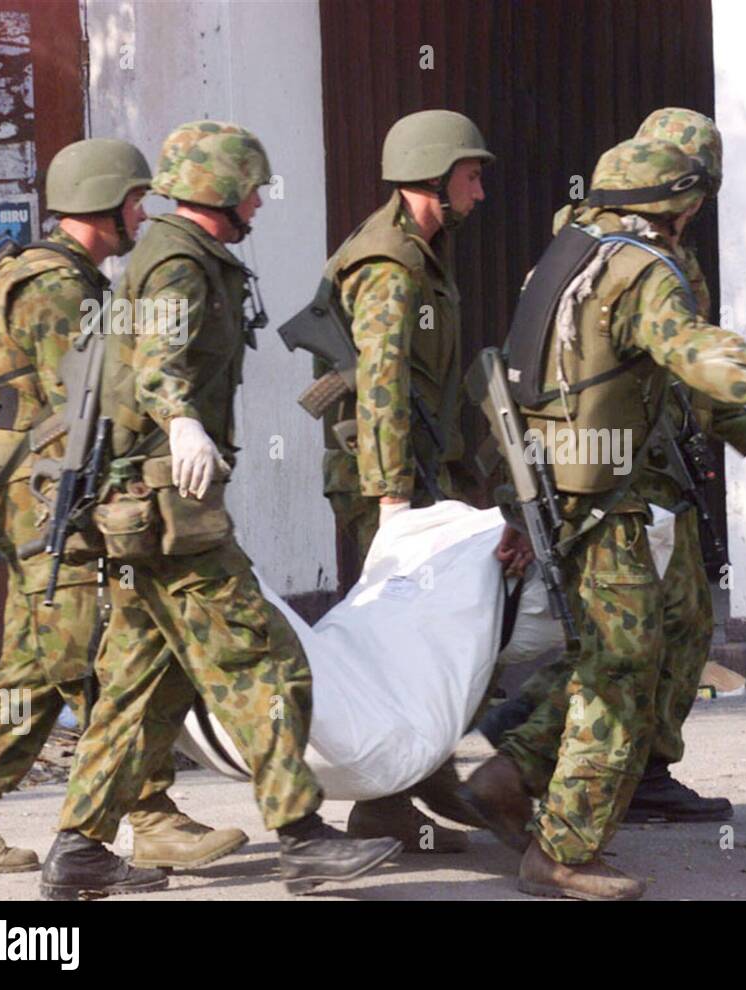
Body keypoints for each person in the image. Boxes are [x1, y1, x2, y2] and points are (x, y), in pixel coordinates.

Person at [39, 121, 402, 900]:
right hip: (172, 508)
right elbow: (158, 362)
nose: (263, 202)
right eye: (252, 189)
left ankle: (78, 851)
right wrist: (180, 419)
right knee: (262, 659)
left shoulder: (190, 256)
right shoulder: (177, 262)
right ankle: (301, 837)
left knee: (143, 686)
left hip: (152, 506)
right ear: (223, 192)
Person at [464, 138, 746, 899]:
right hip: (612, 499)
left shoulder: (572, 251)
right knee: (623, 668)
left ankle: (515, 772)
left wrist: (736, 426)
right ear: (684, 205)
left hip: (564, 488)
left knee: (620, 649)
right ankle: (560, 848)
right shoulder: (642, 269)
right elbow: (687, 347)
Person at [0, 138, 246, 875]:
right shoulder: (58, 288)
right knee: (93, 651)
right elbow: (91, 403)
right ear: (104, 204)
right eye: (135, 200)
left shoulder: (61, 274)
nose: (144, 213)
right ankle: (146, 812)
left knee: (42, 651)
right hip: (42, 496)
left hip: (30, 493)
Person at [314, 109, 494, 853]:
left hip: (424, 472)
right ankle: (385, 804)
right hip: (388, 482)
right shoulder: (390, 265)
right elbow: (381, 385)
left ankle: (417, 782)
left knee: (424, 638)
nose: (480, 192)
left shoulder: (422, 250)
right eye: (471, 175)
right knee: (395, 646)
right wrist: (391, 502)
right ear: (434, 175)